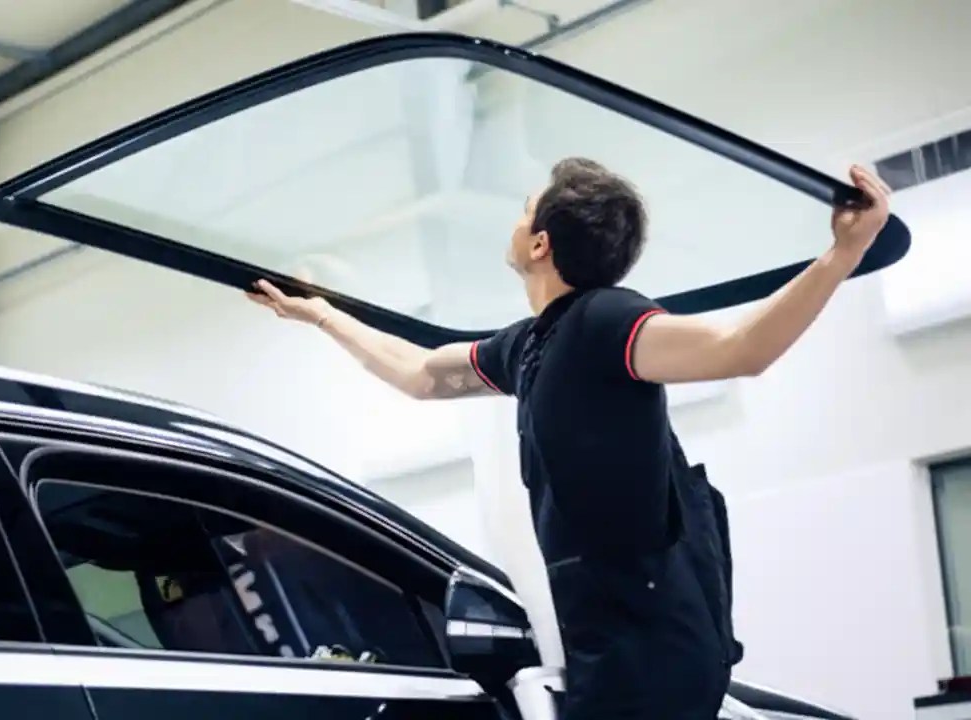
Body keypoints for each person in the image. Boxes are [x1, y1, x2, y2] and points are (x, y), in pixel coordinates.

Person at [246, 158, 892, 718]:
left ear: (540, 244)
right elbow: (420, 374)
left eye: (523, 212)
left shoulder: (608, 320)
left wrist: (843, 254)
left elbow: (739, 349)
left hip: (654, 645)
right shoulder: (530, 345)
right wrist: (324, 314)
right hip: (602, 636)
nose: (514, 221)